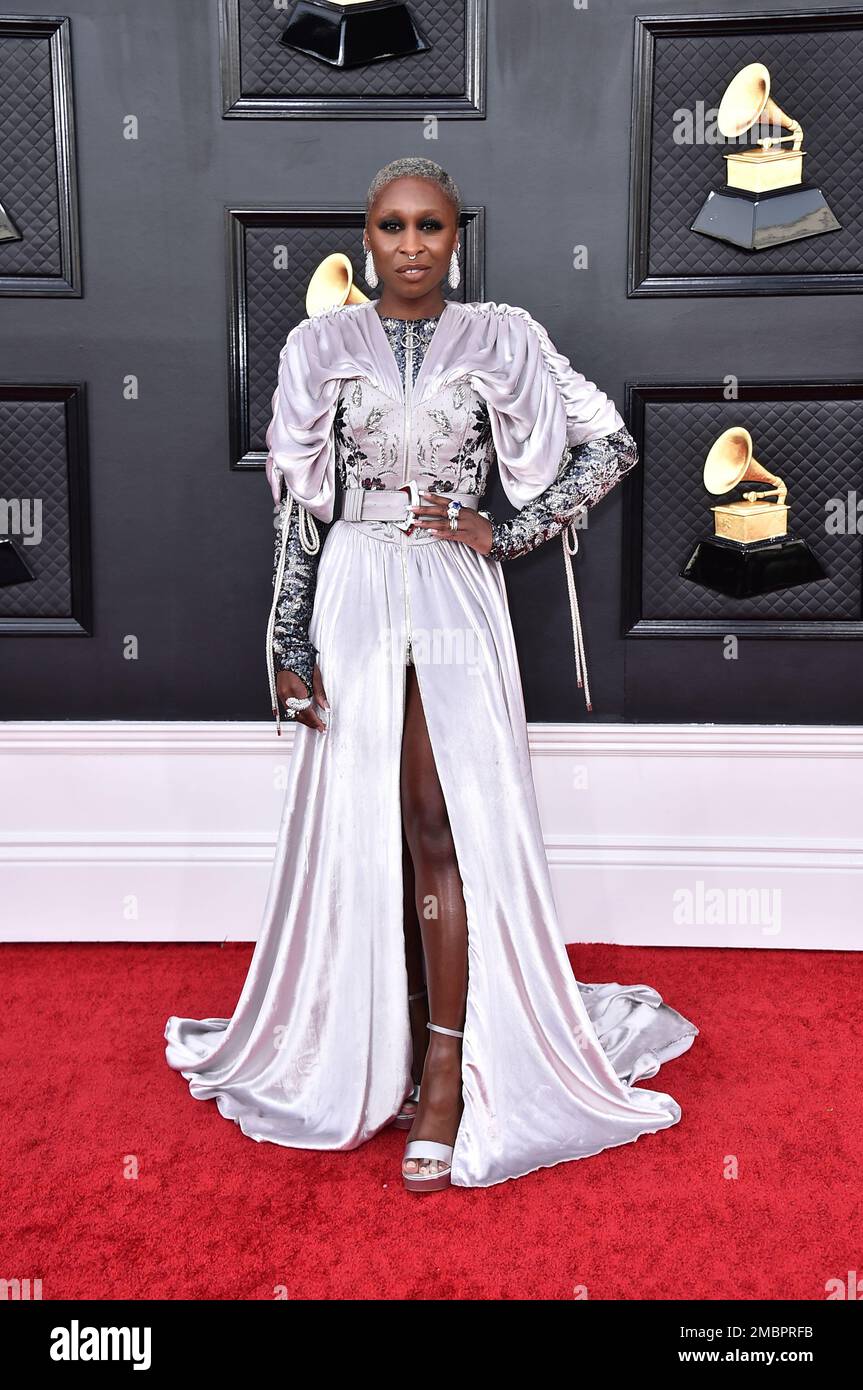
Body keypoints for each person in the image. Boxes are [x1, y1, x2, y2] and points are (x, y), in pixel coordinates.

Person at [165, 157, 697, 1194]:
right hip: (354, 593)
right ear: (366, 237)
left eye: (431, 227)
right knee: (372, 823)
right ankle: (387, 1043)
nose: (411, 245)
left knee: (441, 822)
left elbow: (611, 443)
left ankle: (449, 1069)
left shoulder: (504, 337)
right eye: (391, 226)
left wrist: (504, 529)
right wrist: (286, 643)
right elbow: (300, 507)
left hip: (455, 592)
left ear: (458, 239)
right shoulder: (315, 345)